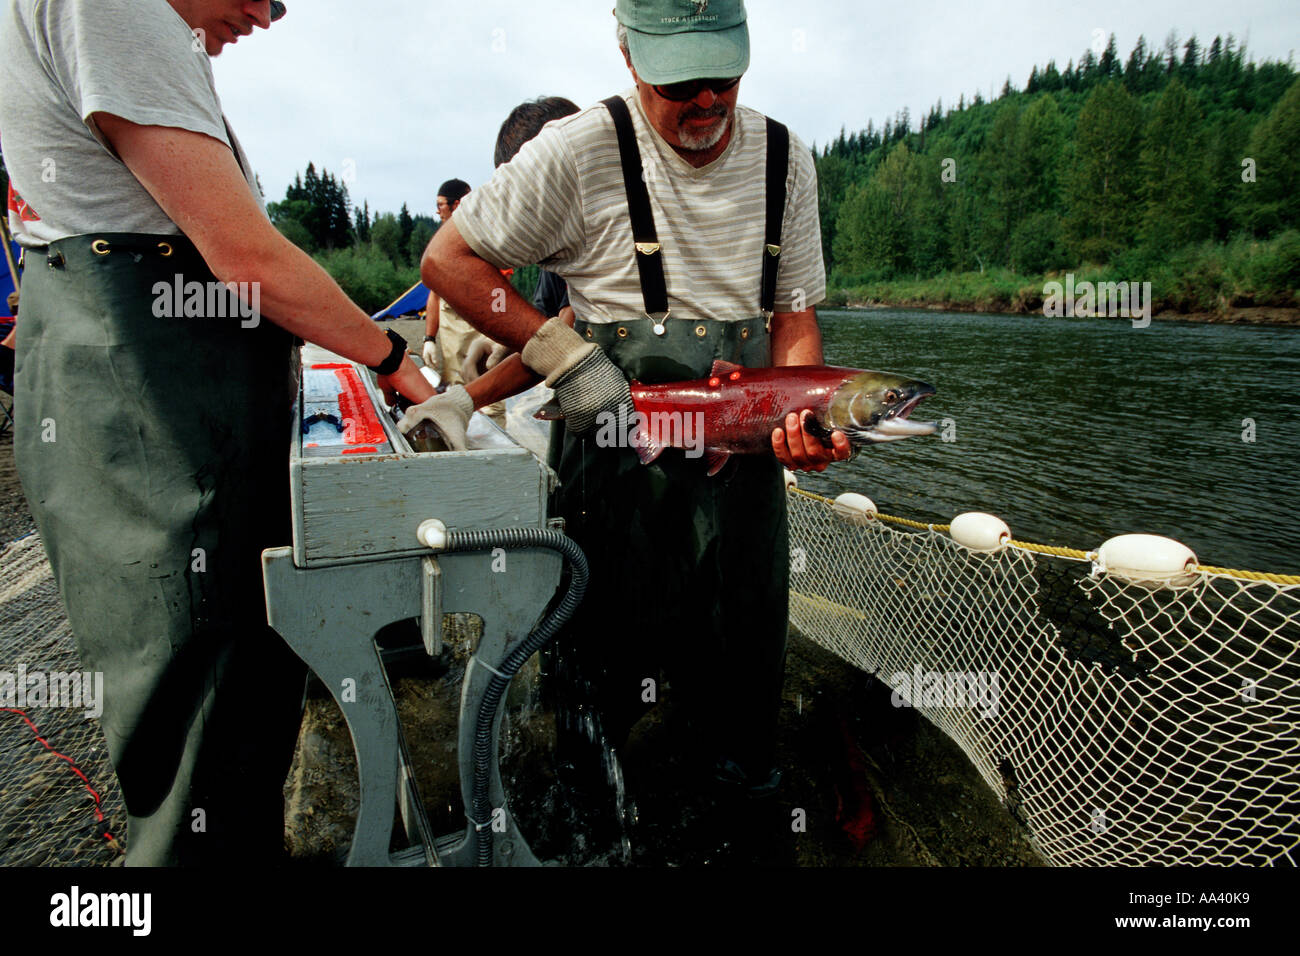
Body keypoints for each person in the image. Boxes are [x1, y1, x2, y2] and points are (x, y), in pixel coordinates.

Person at [0, 0, 434, 865]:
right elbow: (248, 260)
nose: (269, 14)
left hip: (126, 371)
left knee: (201, 717)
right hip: (157, 397)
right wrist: (396, 360)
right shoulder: (115, 7)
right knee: (207, 730)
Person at [414, 0, 850, 837]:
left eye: (724, 76)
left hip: (744, 464)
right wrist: (563, 359)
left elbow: (794, 316)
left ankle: (741, 797)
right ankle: (593, 825)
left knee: (743, 657)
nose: (708, 103)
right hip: (615, 454)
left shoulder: (787, 157)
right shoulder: (577, 151)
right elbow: (449, 262)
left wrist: (802, 405)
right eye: (680, 82)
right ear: (626, 51)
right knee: (603, 668)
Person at [422, 178, 506, 427]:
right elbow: (434, 294)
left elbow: (501, 294)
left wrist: (500, 338)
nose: (438, 212)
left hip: (481, 352)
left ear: (457, 205)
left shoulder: (485, 242)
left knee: (489, 410)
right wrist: (429, 339)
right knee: (457, 410)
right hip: (452, 355)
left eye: (441, 205)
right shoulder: (440, 245)